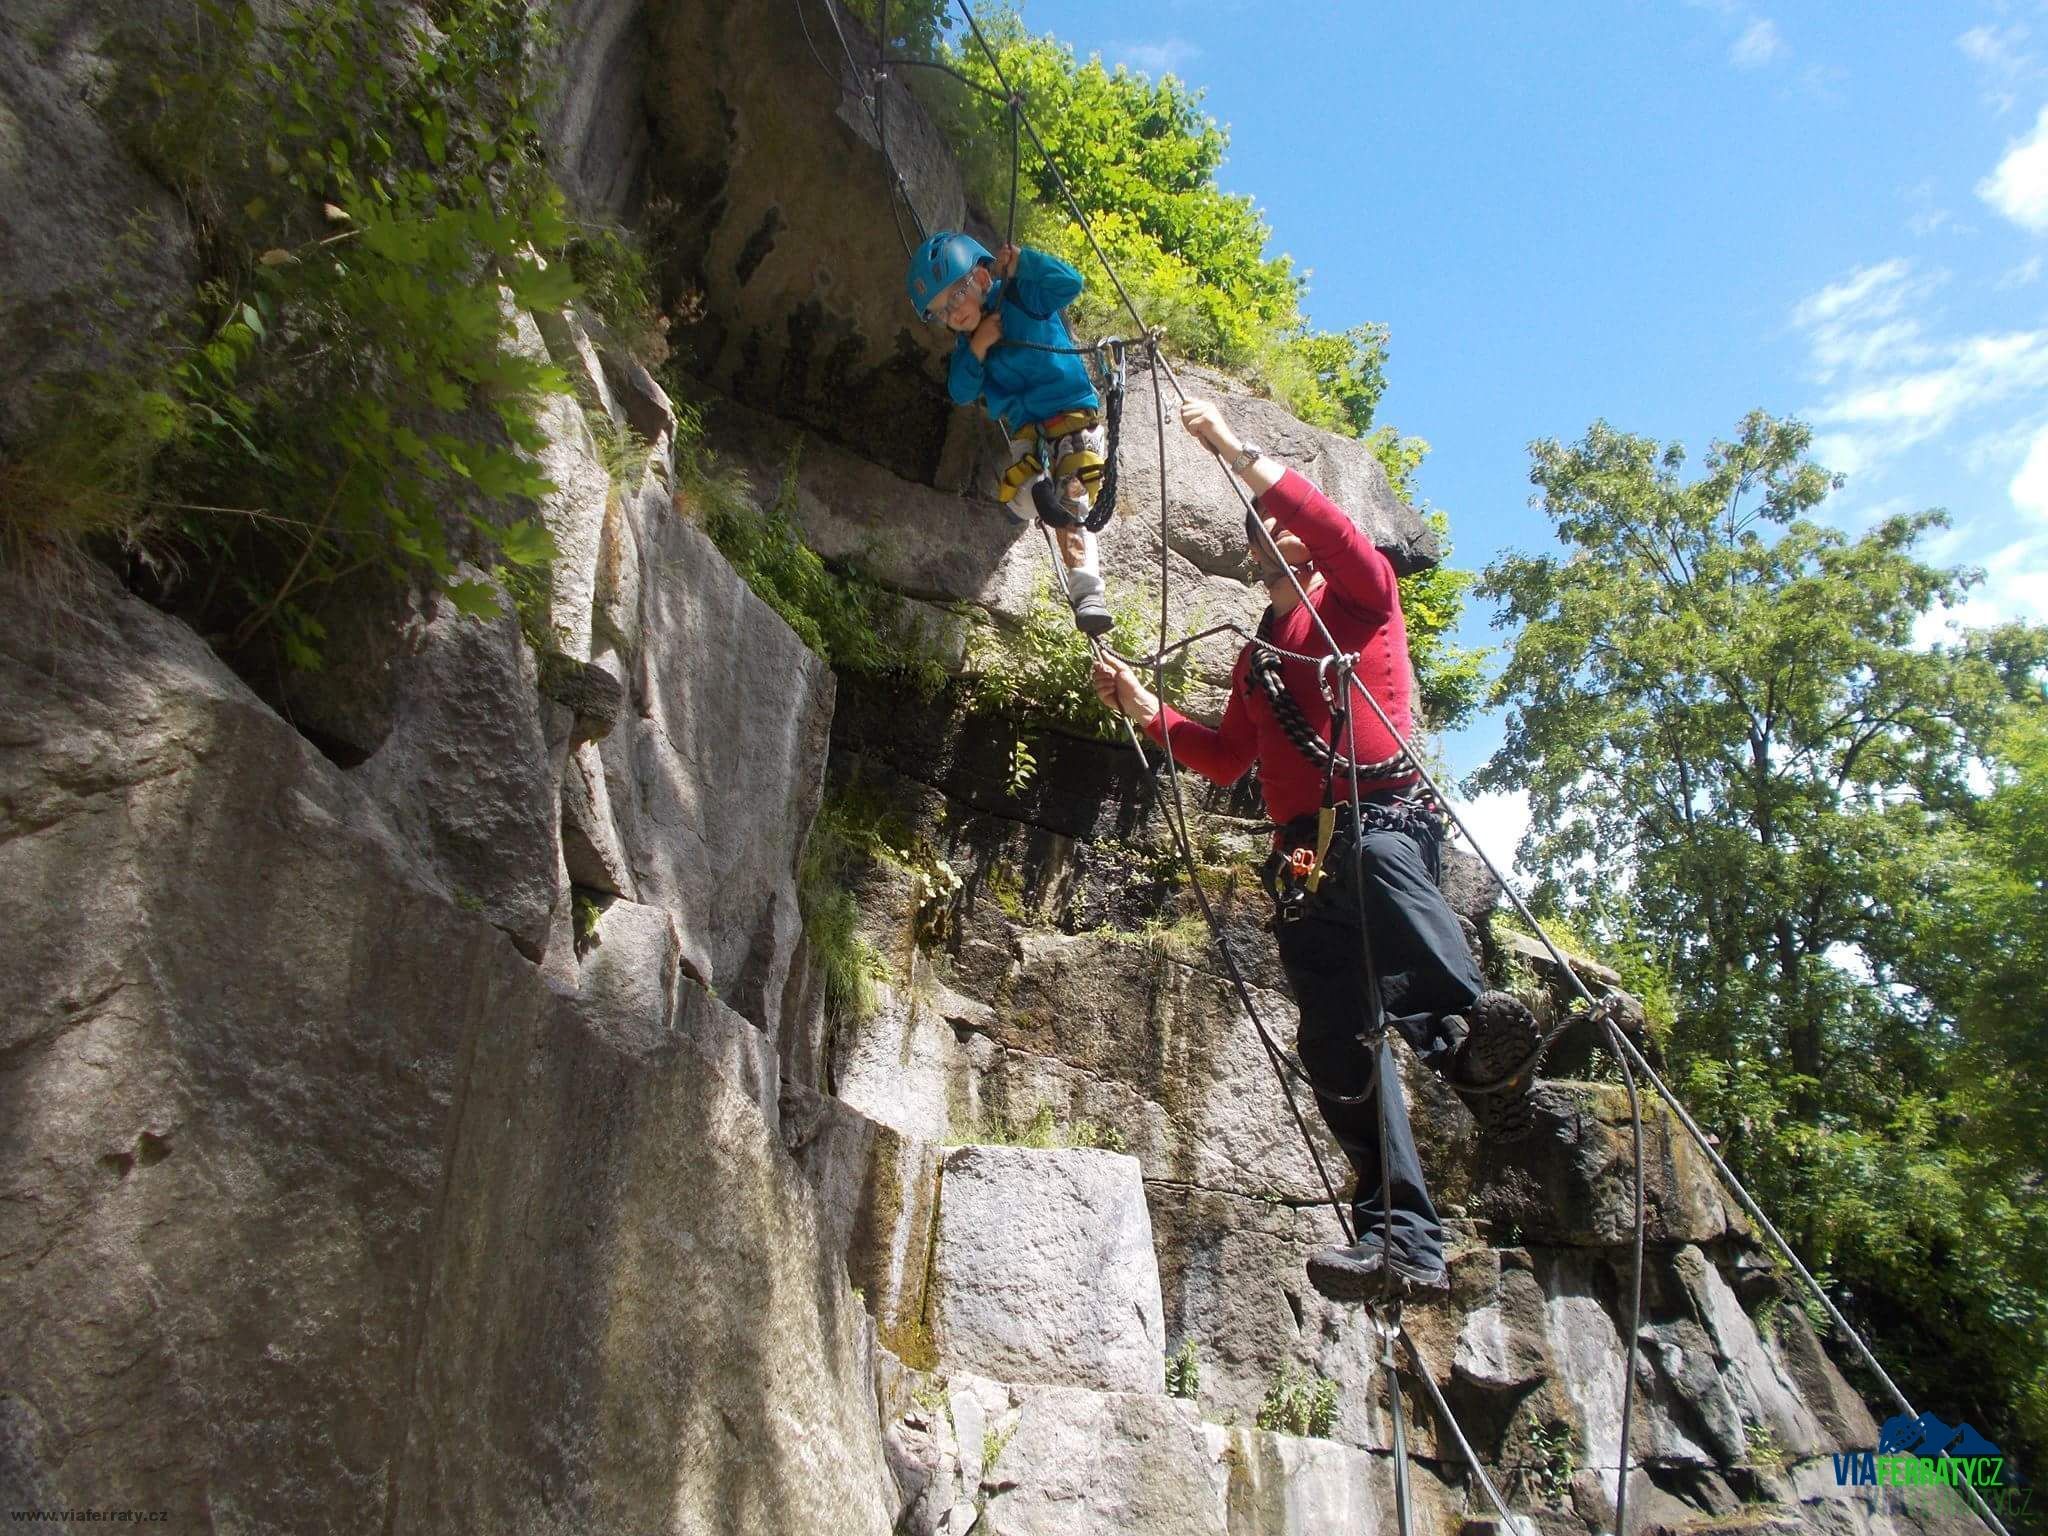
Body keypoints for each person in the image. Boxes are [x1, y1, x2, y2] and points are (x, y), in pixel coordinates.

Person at [1091, 397, 1541, 1303]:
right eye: (1262, 532)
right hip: (1302, 858)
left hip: (1380, 819)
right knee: (1335, 1041)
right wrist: (1146, 709)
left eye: (1280, 522)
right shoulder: (1256, 655)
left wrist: (1229, 445)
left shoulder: (1362, 599)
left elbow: (1338, 531)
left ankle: (1470, 1044)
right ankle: (1400, 1238)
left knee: (1378, 869)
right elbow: (1226, 762)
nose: (1274, 535)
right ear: (1256, 559)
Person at [906, 230, 1113, 636]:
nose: (953, 314)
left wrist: (1025, 263)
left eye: (954, 298)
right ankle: (1035, 497)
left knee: (1073, 494)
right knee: (1028, 494)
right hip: (1027, 432)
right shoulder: (968, 346)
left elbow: (1070, 283)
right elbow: (961, 391)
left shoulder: (1021, 295)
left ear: (981, 279)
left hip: (1070, 411)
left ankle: (1087, 592)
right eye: (943, 312)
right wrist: (980, 347)